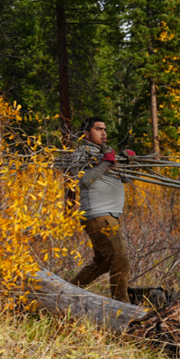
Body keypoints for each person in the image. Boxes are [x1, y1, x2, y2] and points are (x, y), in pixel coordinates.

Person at [59, 116, 135, 302]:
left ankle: (65, 295)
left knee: (101, 263)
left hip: (109, 216)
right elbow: (84, 180)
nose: (104, 133)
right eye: (98, 129)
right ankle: (121, 307)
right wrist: (106, 162)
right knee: (120, 259)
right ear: (86, 133)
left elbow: (125, 179)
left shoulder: (104, 153)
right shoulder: (82, 153)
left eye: (105, 129)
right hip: (98, 216)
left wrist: (127, 162)